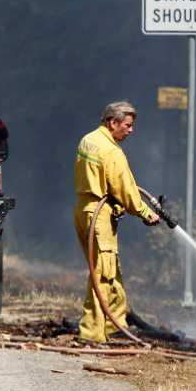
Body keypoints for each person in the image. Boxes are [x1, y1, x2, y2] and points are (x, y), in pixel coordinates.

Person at [74, 101, 160, 343]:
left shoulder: (88, 139)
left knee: (110, 270)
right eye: (128, 125)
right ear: (113, 123)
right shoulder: (112, 151)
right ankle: (91, 333)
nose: (131, 130)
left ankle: (115, 324)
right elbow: (126, 191)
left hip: (83, 209)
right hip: (98, 216)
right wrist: (146, 213)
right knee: (102, 273)